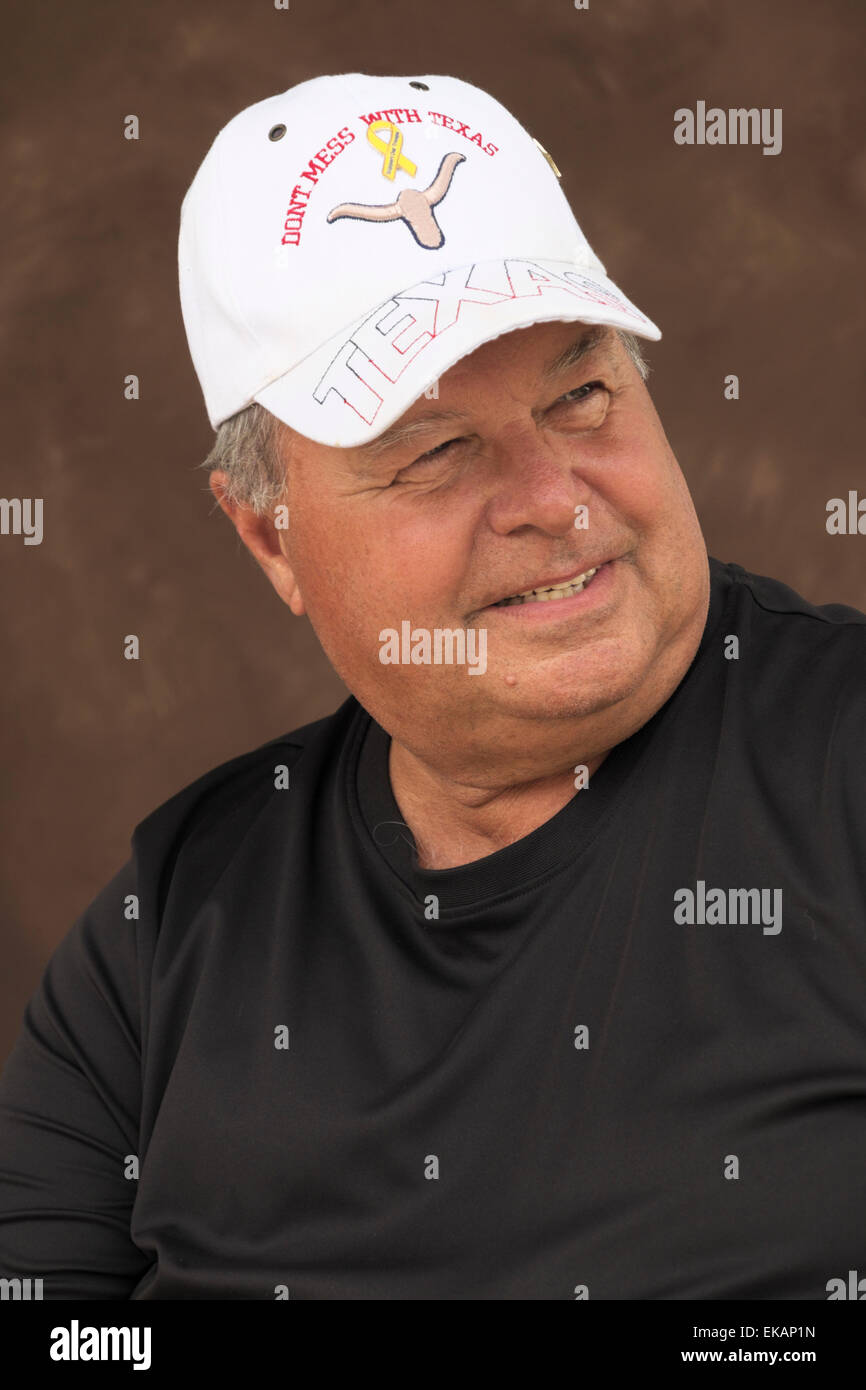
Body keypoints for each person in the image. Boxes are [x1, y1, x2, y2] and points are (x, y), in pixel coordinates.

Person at [1, 73, 864, 1302]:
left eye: (581, 392)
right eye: (433, 451)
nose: (555, 498)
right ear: (269, 537)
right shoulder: (171, 923)